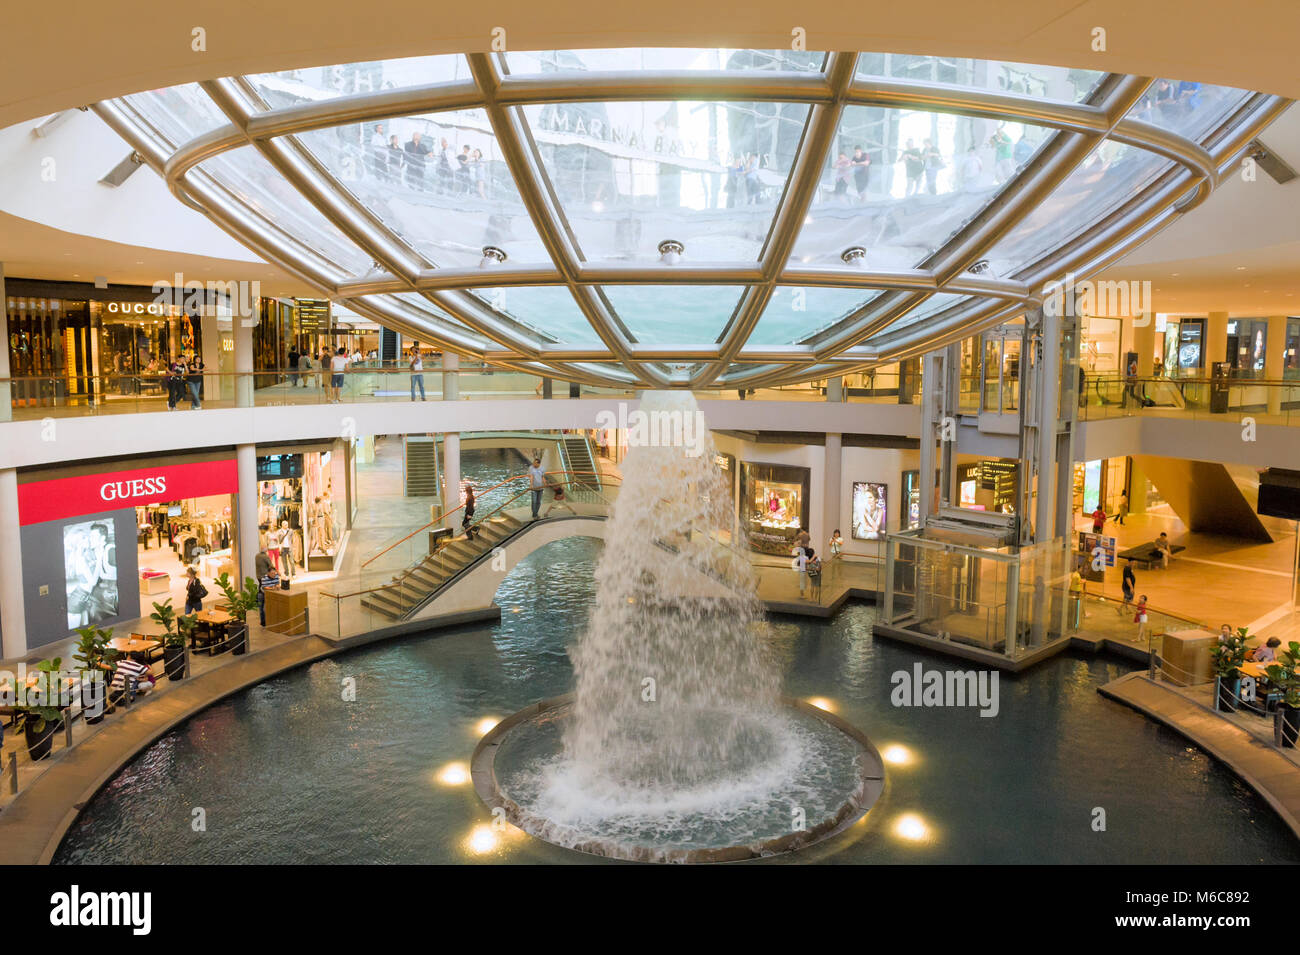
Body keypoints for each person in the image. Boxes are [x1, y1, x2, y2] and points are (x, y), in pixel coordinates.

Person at [1068, 565, 1085, 630]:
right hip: (1076, 590)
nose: (1081, 569)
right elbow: (1078, 582)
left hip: (1072, 589)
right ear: (1079, 568)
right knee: (1076, 603)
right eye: (1081, 568)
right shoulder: (1077, 575)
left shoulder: (1074, 574)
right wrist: (1083, 581)